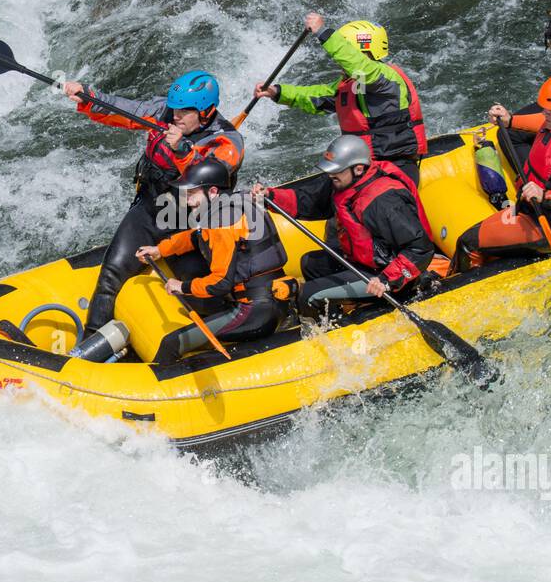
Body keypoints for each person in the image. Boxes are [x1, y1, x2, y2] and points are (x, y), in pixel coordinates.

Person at [63, 71, 244, 346]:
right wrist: (88, 96)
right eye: (175, 108)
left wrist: (183, 150)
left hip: (190, 224)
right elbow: (125, 111)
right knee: (110, 275)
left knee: (205, 292)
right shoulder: (164, 111)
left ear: (206, 112)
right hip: (150, 209)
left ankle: (232, 334)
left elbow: (211, 177)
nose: (176, 116)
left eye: (185, 111)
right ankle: (88, 347)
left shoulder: (226, 142)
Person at [256, 136, 445, 321]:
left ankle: (327, 335)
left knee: (309, 295)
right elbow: (311, 201)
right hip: (366, 262)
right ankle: (339, 317)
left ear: (358, 168)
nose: (331, 176)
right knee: (310, 263)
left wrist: (387, 280)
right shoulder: (343, 182)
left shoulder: (385, 201)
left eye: (335, 172)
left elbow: (420, 248)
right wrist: (271, 196)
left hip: (389, 274)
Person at [452, 72, 551, 272]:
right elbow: (543, 122)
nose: (545, 114)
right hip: (532, 209)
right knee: (472, 237)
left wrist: (544, 195)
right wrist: (509, 120)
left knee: (467, 243)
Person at [135, 160, 289, 363]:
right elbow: (198, 236)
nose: (188, 201)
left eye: (192, 194)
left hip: (255, 312)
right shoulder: (240, 201)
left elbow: (220, 283)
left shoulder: (220, 223)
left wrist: (181, 286)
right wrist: (160, 249)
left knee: (171, 343)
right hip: (280, 299)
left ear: (213, 191)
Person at [253, 12, 427, 185]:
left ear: (366, 53)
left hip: (396, 167)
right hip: (365, 167)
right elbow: (317, 96)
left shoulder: (385, 78)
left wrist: (323, 32)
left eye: (350, 52)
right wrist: (277, 92)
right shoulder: (353, 83)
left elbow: (358, 65)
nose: (339, 63)